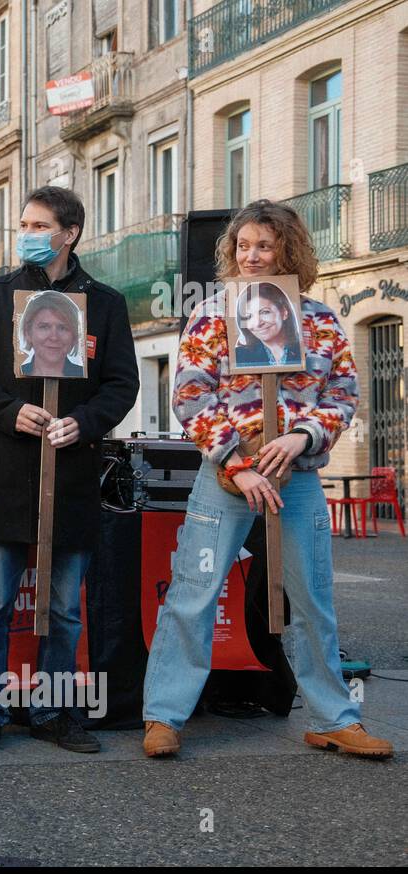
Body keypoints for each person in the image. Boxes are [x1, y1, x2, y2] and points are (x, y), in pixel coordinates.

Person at [142, 199, 393, 760]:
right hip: (226, 476)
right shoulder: (212, 314)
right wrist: (236, 461)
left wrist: (302, 436)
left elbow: (342, 394)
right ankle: (164, 716)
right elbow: (189, 392)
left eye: (264, 245)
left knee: (312, 598)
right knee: (195, 591)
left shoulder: (321, 319)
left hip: (296, 476)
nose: (251, 256)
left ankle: (333, 718)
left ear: (288, 250)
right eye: (242, 246)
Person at [0, 185, 138, 756]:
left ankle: (54, 711)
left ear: (69, 232)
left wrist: (82, 423)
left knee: (63, 608)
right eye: (24, 224)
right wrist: (11, 412)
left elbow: (122, 384)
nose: (27, 233)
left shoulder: (104, 302)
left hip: (73, 477)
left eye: (38, 225)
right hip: (5, 475)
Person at [231, 279, 302, 368]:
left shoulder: (306, 350)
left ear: (284, 312)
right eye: (248, 316)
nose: (257, 323)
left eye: (265, 312)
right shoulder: (238, 357)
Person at [18, 291, 85, 378]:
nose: (54, 337)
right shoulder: (13, 375)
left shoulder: (88, 377)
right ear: (28, 333)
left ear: (74, 335)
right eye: (44, 327)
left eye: (62, 328)